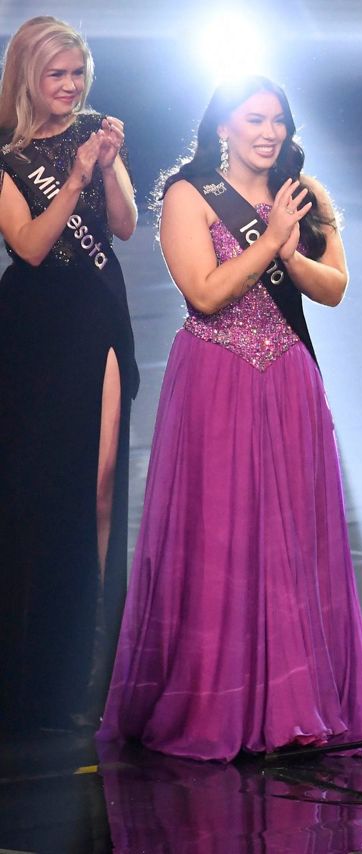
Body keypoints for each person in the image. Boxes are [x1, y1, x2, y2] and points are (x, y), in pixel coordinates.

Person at [97, 76, 362, 761]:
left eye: (278, 120)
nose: (269, 131)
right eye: (254, 118)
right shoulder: (187, 195)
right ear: (222, 126)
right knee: (222, 538)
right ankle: (215, 699)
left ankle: (293, 702)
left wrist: (289, 244)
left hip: (289, 378)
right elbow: (205, 293)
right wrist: (269, 241)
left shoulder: (304, 198)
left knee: (293, 544)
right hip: (217, 377)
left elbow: (335, 289)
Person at [0, 16, 138, 731]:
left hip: (98, 319)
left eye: (77, 74)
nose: (69, 87)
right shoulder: (7, 155)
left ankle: (98, 657)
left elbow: (123, 225)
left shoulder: (95, 132)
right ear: (28, 76)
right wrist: (76, 174)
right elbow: (27, 246)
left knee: (102, 482)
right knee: (39, 497)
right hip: (34, 331)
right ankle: (40, 663)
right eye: (56, 75)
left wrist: (108, 162)